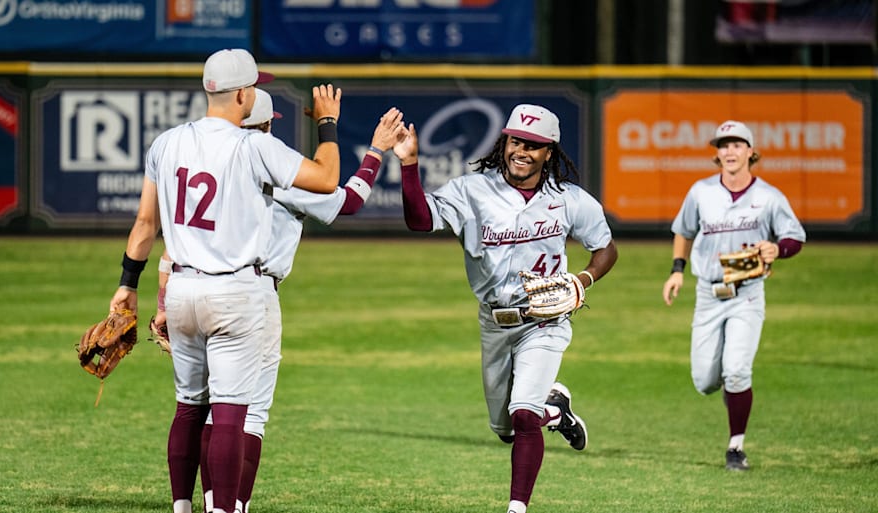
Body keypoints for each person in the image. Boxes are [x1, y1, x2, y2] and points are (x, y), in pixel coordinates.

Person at [108, 48, 343, 513]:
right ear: (242, 93)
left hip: (180, 291)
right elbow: (329, 179)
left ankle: (180, 506)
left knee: (188, 406)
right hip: (235, 292)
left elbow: (143, 225)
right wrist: (327, 123)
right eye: (252, 86)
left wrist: (127, 285)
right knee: (232, 414)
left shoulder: (167, 142)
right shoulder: (253, 146)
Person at [151, 88, 406, 513]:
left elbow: (164, 241)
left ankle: (191, 504)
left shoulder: (193, 154)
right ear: (266, 126)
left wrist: (161, 302)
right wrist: (376, 150)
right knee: (245, 415)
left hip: (187, 287)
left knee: (196, 407)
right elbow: (349, 200)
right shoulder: (271, 165)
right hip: (249, 295)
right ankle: (231, 507)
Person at [394, 104, 618, 513]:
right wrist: (410, 164)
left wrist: (582, 280)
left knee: (522, 415)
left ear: (549, 151)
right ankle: (557, 410)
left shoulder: (568, 199)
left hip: (546, 319)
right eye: (517, 141)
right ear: (505, 142)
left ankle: (517, 508)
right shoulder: (472, 191)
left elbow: (606, 248)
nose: (523, 152)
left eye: (534, 146)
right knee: (505, 428)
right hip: (495, 322)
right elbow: (420, 221)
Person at [662, 120, 806, 471]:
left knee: (738, 370)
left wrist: (777, 249)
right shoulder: (701, 191)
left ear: (751, 152)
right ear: (717, 153)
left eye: (737, 144)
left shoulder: (768, 196)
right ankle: (731, 387)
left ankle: (736, 447)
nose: (729, 151)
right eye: (723, 145)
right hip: (709, 294)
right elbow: (683, 231)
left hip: (748, 293)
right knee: (706, 381)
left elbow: (794, 237)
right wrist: (677, 270)